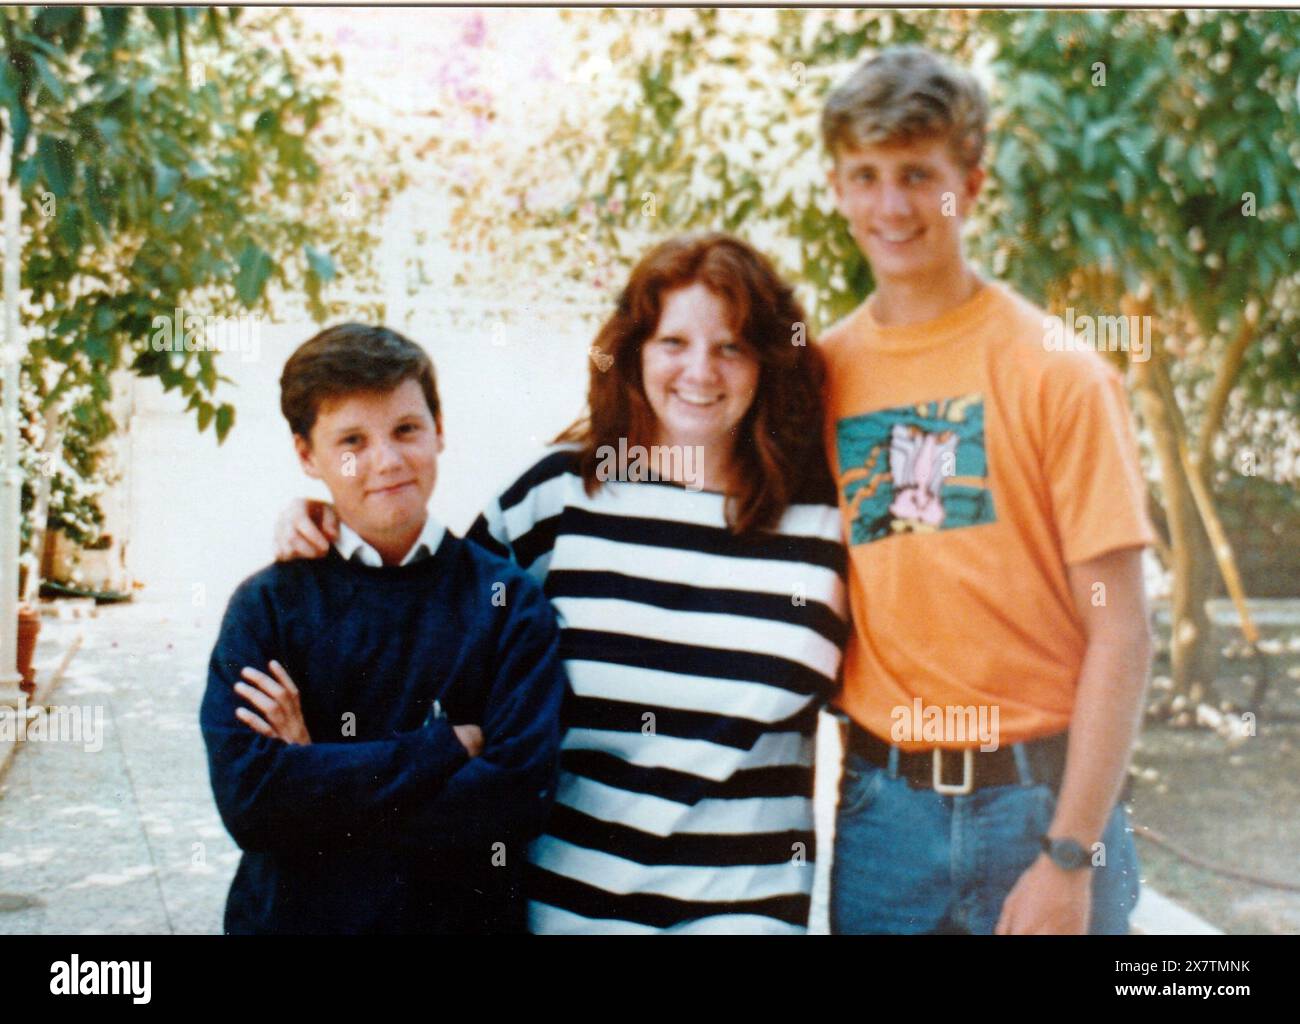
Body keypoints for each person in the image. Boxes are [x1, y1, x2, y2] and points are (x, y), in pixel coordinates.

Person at [276, 234, 848, 934]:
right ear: (635, 351)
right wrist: (332, 525)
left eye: (731, 346)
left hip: (745, 913)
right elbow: (422, 613)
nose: (700, 370)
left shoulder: (824, 525)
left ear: (767, 358)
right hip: (568, 908)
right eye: (673, 342)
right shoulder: (559, 498)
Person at [818, 46, 1155, 934]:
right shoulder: (820, 376)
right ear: (839, 186)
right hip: (884, 814)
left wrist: (1071, 852)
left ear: (968, 184)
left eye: (917, 175)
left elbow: (1121, 625)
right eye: (867, 175)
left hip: (1038, 806)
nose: (891, 206)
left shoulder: (1059, 374)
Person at [200, 323, 566, 934]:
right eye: (351, 441)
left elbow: (513, 800)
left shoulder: (506, 602)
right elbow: (252, 805)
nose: (387, 461)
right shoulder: (268, 607)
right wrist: (442, 748)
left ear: (439, 429)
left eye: (406, 429)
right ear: (305, 455)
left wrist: (316, 773)